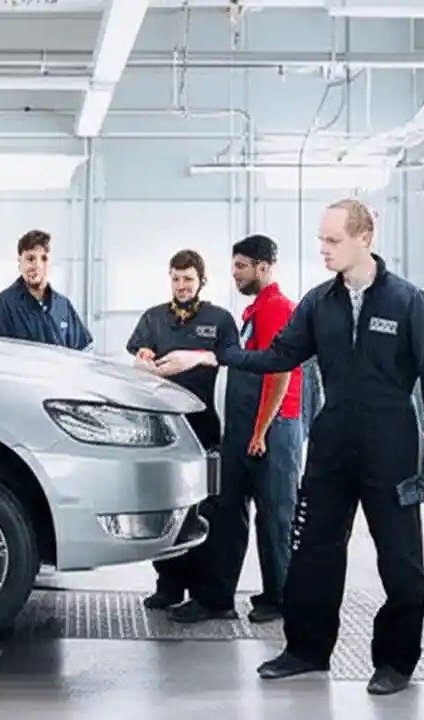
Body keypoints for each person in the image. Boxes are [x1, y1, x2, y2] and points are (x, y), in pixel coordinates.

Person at [155, 198, 424, 696]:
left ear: (365, 238)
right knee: (313, 549)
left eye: (333, 240)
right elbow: (277, 356)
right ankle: (306, 649)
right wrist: (210, 353)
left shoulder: (409, 302)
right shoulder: (320, 303)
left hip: (393, 445)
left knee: (399, 558)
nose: (323, 249)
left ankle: (396, 661)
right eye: (320, 240)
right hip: (332, 441)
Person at [170, 235, 302, 625]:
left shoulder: (276, 308)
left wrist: (260, 431)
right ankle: (216, 598)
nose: (235, 274)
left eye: (242, 266)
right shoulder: (252, 313)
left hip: (271, 431)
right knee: (227, 511)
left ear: (264, 266)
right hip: (243, 432)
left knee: (275, 517)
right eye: (234, 266)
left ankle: (280, 598)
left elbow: (281, 370)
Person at [127, 249, 238, 611]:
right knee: (168, 507)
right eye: (176, 278)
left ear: (201, 280)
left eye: (188, 278)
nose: (182, 285)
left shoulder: (219, 320)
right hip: (164, 432)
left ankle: (208, 594)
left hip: (206, 431)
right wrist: (143, 357)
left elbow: (233, 358)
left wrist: (201, 356)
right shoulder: (154, 318)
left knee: (208, 512)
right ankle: (169, 586)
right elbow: (140, 350)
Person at [0, 229, 92, 350]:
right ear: (20, 262)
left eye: (44, 259)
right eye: (30, 259)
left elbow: (83, 350)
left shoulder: (63, 306)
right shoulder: (3, 306)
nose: (37, 266)